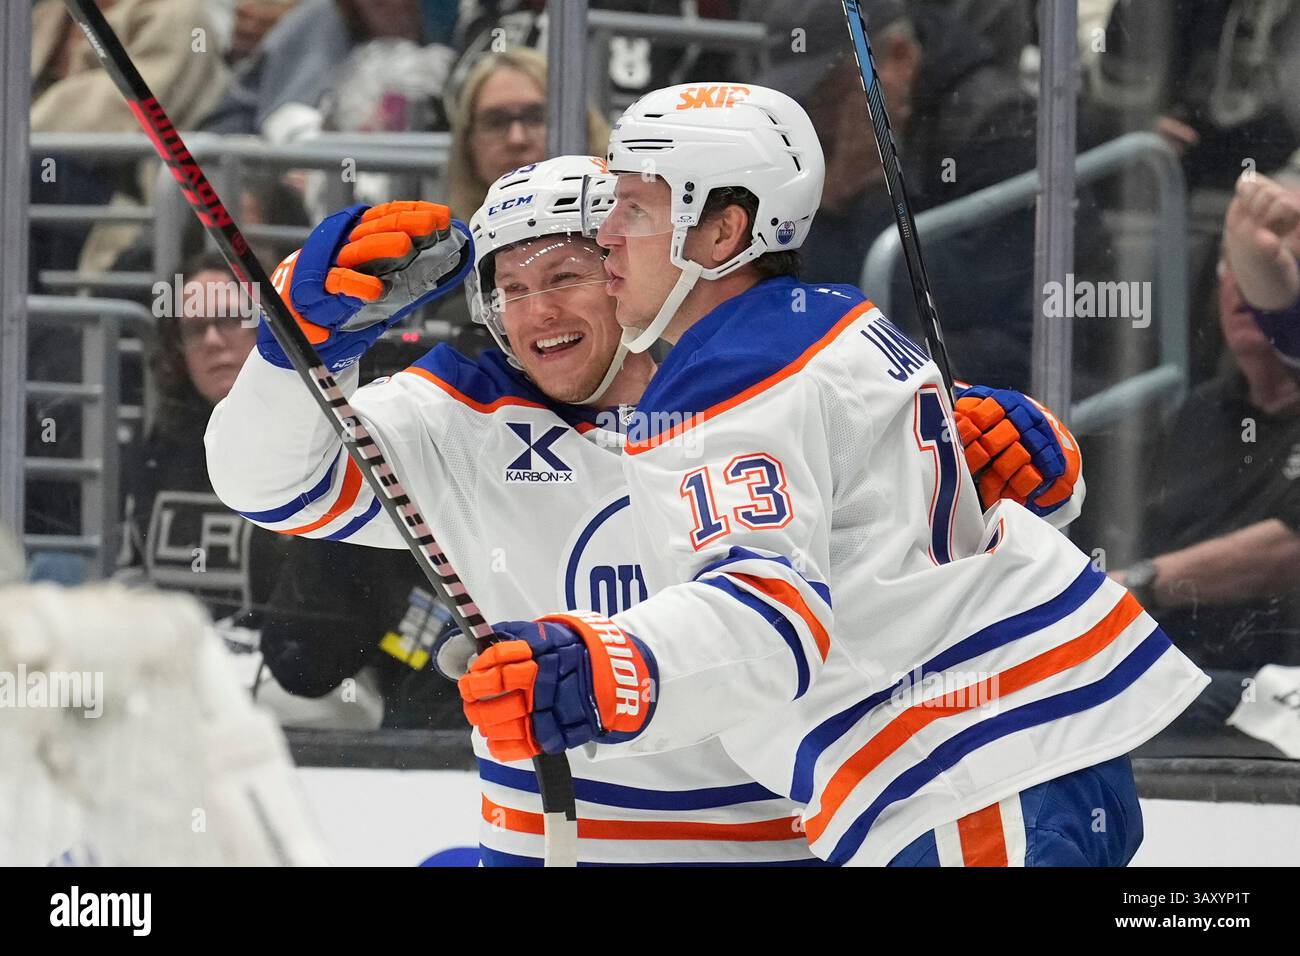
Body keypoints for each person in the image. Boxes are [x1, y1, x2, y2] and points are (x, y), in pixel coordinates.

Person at [207, 156, 1082, 864]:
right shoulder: (459, 414)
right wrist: (297, 352)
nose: (533, 311)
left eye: (564, 275)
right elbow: (267, 483)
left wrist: (1036, 464)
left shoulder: (770, 382)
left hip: (784, 844)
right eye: (507, 288)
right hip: (543, 842)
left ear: (632, 272)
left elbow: (960, 510)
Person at [458, 85, 1209, 867]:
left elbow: (771, 615)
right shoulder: (836, 319)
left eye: (636, 211)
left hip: (965, 772)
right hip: (1031, 754)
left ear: (721, 231)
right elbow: (934, 518)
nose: (606, 236)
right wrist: (1043, 469)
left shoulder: (732, 374)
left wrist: (603, 669)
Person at [1115, 186, 1300, 758]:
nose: (1243, 291)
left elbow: (1287, 551)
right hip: (1184, 679)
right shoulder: (1199, 413)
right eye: (1229, 273)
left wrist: (1140, 582)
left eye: (1270, 278)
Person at [446, 48, 609, 219]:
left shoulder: (624, 239)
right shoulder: (450, 243)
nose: (517, 139)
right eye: (495, 122)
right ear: (468, 143)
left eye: (536, 118)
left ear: (584, 128)